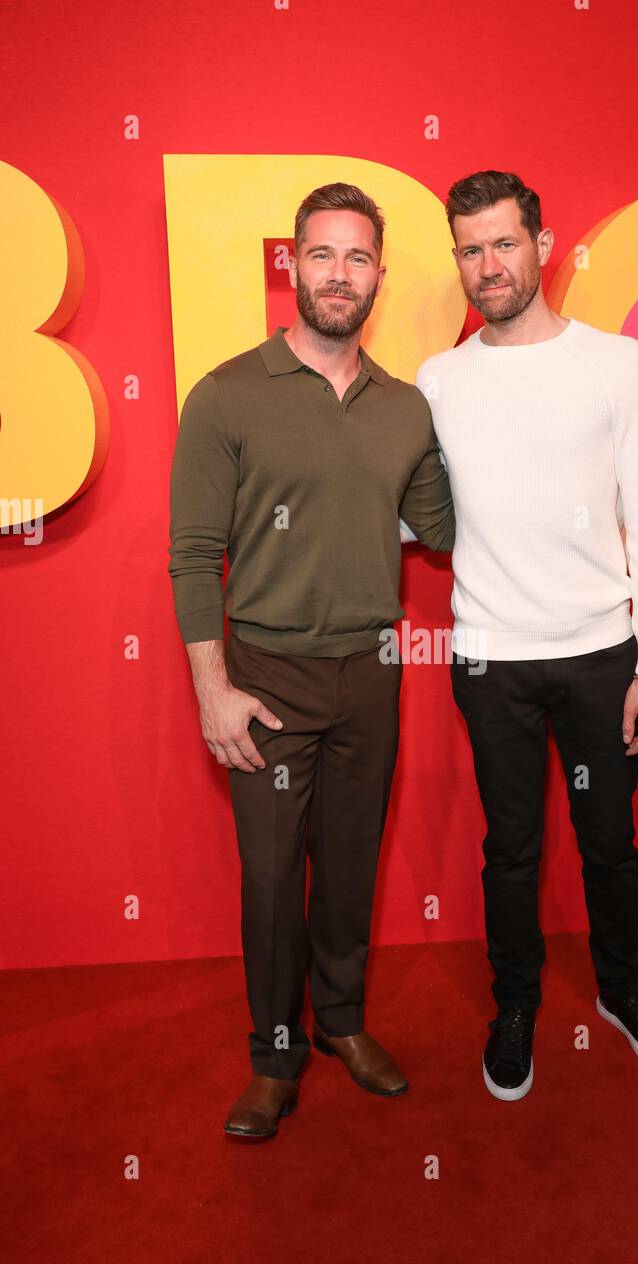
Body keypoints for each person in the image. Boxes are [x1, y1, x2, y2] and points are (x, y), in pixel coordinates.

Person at [168, 182, 455, 1139]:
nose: (340, 275)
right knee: (268, 875)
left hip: (372, 672)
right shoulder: (226, 394)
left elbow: (445, 529)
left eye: (359, 258)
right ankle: (274, 1056)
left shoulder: (406, 408)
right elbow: (193, 555)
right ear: (291, 264)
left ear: (380, 274)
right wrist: (215, 692)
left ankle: (341, 1024)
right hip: (266, 679)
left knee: (348, 864)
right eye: (323, 255)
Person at [416, 169, 638, 1102]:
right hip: (490, 658)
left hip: (602, 656)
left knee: (610, 842)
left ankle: (623, 991)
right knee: (511, 848)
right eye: (469, 248)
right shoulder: (438, 381)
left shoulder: (619, 363)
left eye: (502, 242)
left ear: (543, 243)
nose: (487, 265)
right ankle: (516, 1007)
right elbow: (419, 514)